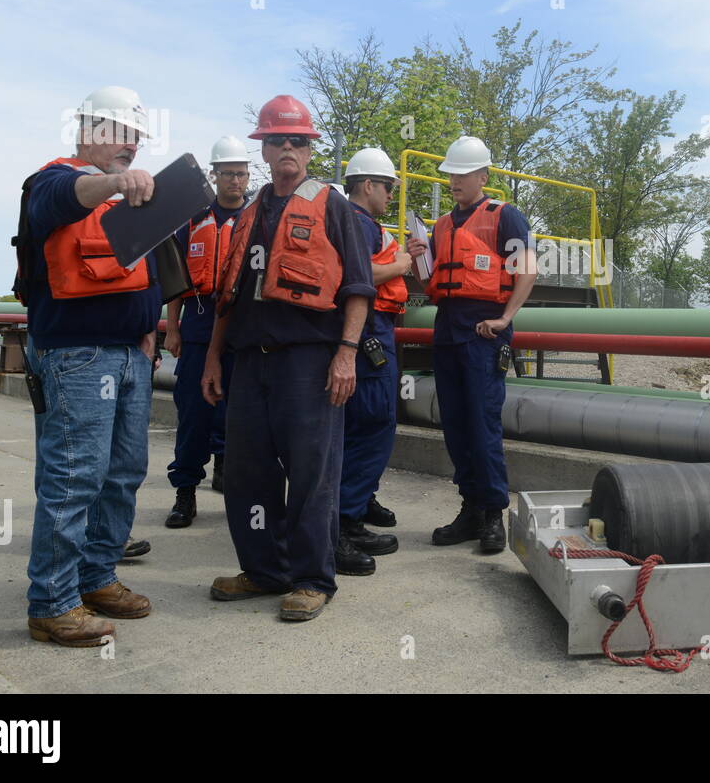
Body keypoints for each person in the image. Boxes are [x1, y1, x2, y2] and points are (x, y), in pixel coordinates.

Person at [201, 94, 375, 623]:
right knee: (248, 475)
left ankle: (311, 579)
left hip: (309, 362)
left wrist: (346, 354)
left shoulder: (332, 206)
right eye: (277, 141)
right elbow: (228, 295)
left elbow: (359, 289)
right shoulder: (249, 212)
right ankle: (263, 569)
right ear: (264, 147)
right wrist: (213, 358)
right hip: (250, 362)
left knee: (311, 475)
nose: (287, 150)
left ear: (308, 148)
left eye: (297, 141)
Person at [12, 85, 160, 647]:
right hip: (77, 357)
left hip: (130, 355)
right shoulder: (52, 182)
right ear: (93, 130)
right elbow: (72, 194)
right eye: (125, 136)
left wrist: (148, 332)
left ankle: (95, 577)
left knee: (122, 474)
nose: (133, 149)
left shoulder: (124, 206)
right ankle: (51, 601)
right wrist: (116, 183)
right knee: (74, 478)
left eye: (137, 139)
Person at [405, 136, 537, 554]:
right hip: (448, 328)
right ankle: (470, 510)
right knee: (456, 425)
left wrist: (504, 319)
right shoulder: (442, 225)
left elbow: (527, 271)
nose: (454, 181)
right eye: (450, 175)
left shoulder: (505, 217)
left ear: (483, 175)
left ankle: (493, 513)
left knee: (483, 425)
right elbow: (431, 284)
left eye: (462, 174)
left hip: (483, 332)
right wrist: (419, 258)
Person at [162, 136, 250, 527]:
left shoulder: (258, 220)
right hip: (199, 324)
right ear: (214, 176)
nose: (236, 180)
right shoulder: (194, 221)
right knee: (194, 413)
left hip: (244, 331)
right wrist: (172, 328)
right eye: (228, 173)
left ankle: (234, 480)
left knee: (241, 415)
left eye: (242, 173)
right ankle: (185, 493)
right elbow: (176, 280)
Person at [332, 148, 410, 575]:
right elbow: (355, 276)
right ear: (367, 185)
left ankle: (350, 514)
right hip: (366, 338)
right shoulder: (357, 223)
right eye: (387, 186)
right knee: (372, 424)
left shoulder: (357, 222)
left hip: (367, 335)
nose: (389, 194)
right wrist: (400, 264)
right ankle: (342, 524)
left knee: (360, 428)